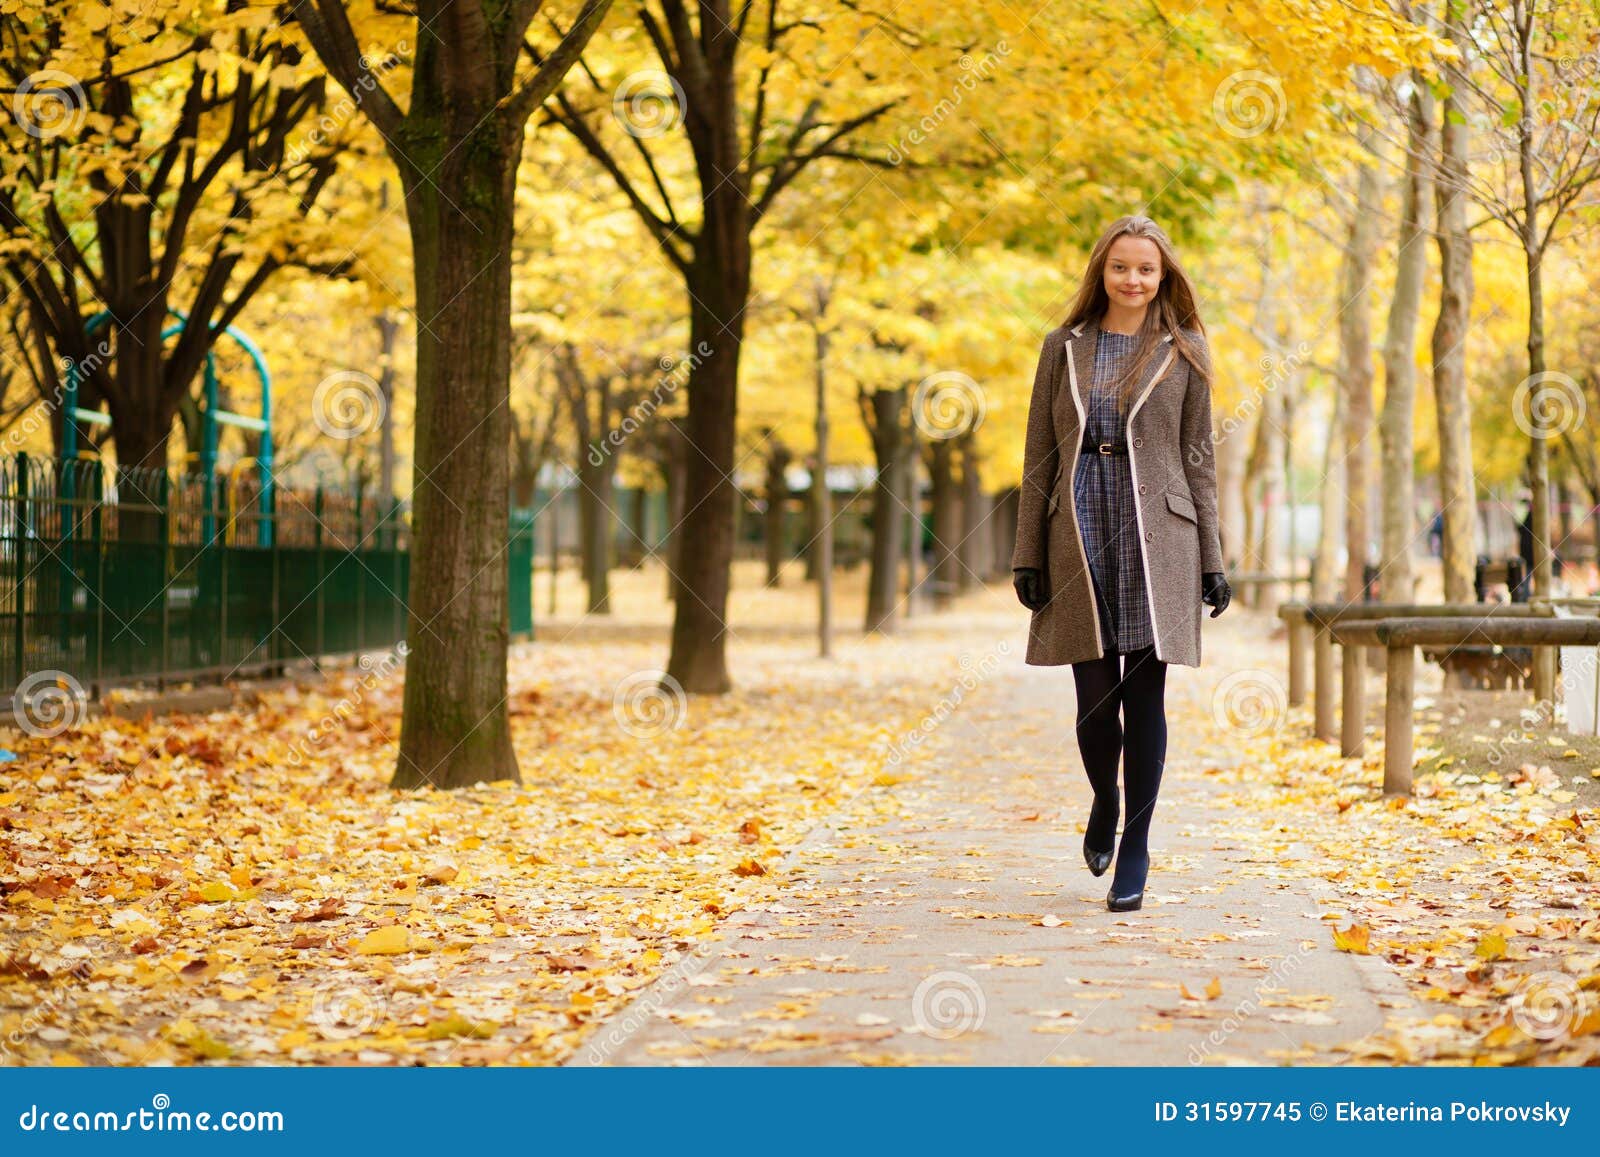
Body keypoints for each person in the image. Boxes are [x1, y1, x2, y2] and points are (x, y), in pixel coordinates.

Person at [1010, 214, 1230, 913]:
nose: (1133, 280)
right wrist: (1026, 553)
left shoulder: (1186, 348)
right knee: (1095, 704)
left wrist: (1213, 561)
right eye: (1121, 267)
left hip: (1159, 537)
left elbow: (1201, 459)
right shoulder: (1063, 347)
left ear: (1162, 276)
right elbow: (1039, 451)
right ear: (1101, 272)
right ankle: (1104, 797)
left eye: (1146, 269)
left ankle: (1136, 843)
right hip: (1078, 528)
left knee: (1146, 698)